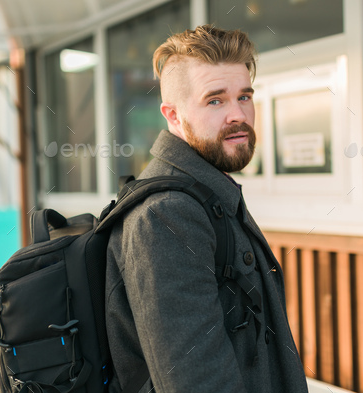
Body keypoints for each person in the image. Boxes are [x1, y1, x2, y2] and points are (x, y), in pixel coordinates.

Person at [106, 25, 309, 393]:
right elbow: (195, 381)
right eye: (215, 100)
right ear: (173, 115)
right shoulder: (166, 215)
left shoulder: (207, 192)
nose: (237, 115)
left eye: (244, 97)